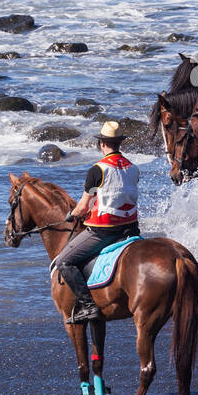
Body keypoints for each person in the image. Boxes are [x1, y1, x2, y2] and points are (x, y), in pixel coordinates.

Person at [51, 122, 140, 324]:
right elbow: (121, 195)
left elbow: (83, 206)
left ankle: (88, 306)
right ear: (119, 143)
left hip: (105, 232)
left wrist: (71, 215)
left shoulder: (97, 170)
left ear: (102, 144)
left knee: (63, 261)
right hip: (131, 230)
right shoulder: (133, 169)